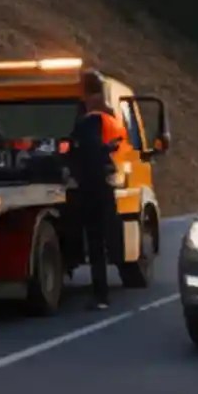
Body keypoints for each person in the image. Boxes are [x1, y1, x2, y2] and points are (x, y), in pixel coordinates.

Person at [67, 70, 128, 310]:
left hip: (91, 188)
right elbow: (113, 148)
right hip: (108, 184)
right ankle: (110, 286)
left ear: (87, 94)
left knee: (94, 243)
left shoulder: (90, 121)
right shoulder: (110, 119)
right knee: (106, 239)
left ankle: (101, 295)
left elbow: (88, 151)